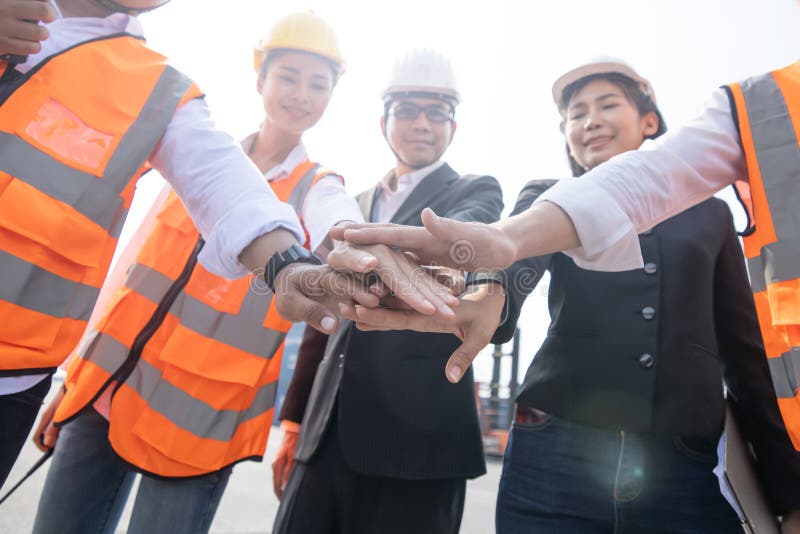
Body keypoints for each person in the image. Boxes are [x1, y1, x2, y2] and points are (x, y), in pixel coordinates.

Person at [341, 58, 800, 531]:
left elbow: (748, 355)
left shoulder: (711, 214)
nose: (590, 121)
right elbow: (515, 257)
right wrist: (490, 290)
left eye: (607, 105)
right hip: (554, 453)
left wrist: (791, 495)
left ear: (649, 121)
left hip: (687, 463)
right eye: (576, 114)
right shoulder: (548, 195)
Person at [0, 0, 383, 492]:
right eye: (289, 77)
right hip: (109, 387)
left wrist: (340, 249)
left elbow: (325, 212)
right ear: (260, 78)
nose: (300, 95)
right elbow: (128, 274)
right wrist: (77, 376)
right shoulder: (175, 132)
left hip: (195, 418)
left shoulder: (181, 119)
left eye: (318, 84)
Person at [270, 49, 505, 534]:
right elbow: (321, 321)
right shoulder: (351, 206)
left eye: (436, 113)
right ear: (384, 123)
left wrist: (367, 250)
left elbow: (461, 242)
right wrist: (294, 423)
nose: (421, 123)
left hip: (417, 449)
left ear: (453, 127)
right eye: (407, 110)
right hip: (324, 437)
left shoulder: (476, 191)